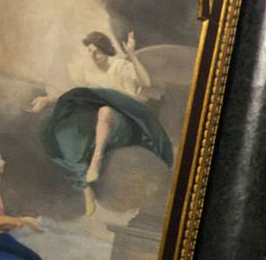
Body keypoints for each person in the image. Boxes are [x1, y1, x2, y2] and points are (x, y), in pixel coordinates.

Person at [31, 30, 174, 216]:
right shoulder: (89, 74)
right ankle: (85, 187)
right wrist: (47, 100)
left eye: (96, 51)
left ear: (106, 50)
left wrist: (131, 54)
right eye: (90, 52)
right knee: (68, 128)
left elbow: (145, 83)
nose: (93, 56)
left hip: (126, 122)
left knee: (105, 110)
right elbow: (77, 94)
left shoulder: (121, 67)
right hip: (99, 123)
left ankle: (96, 162)